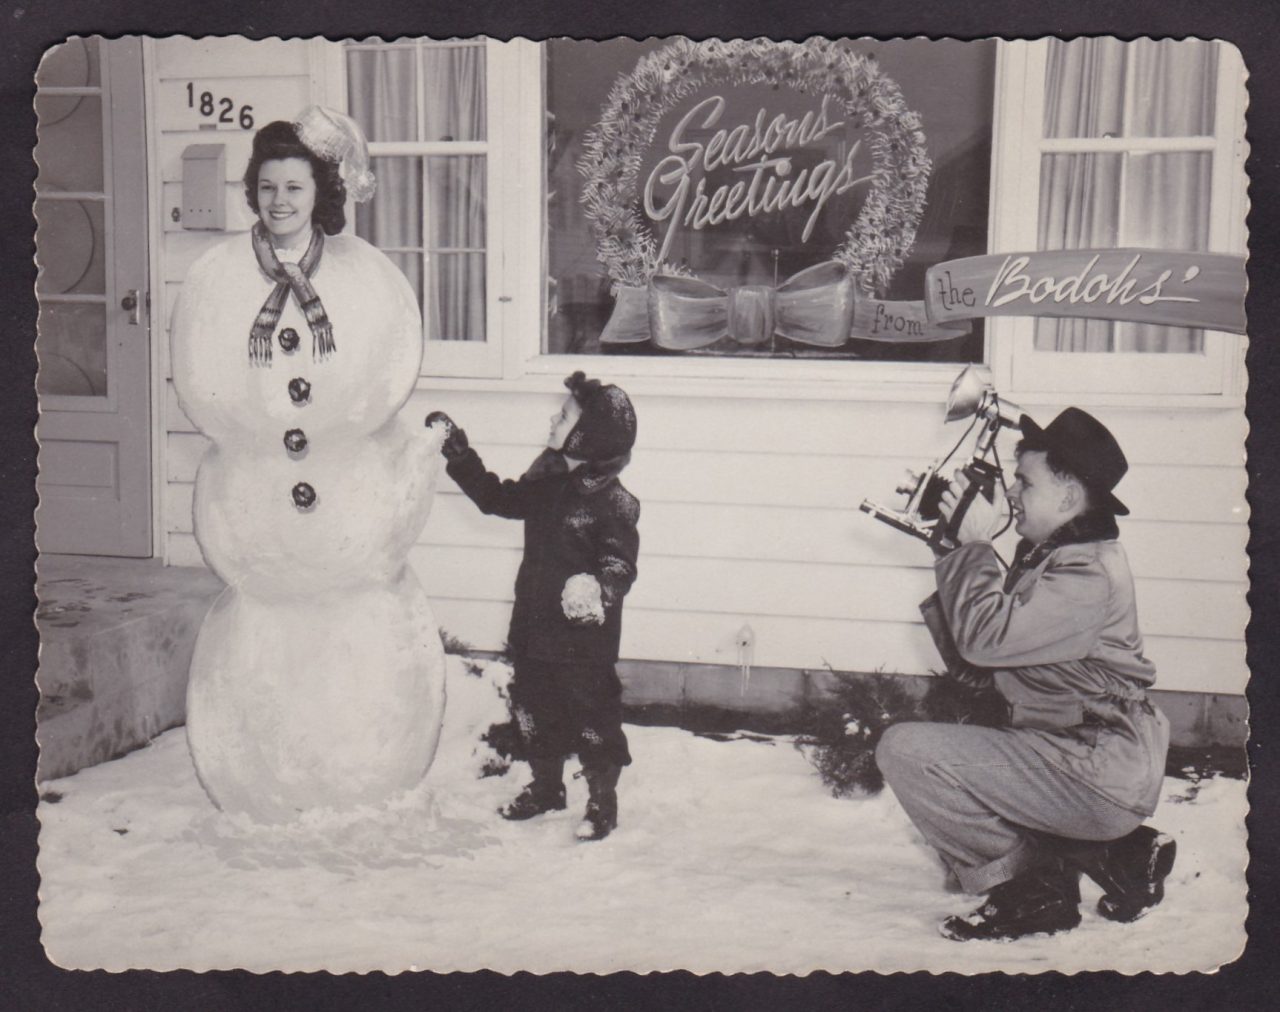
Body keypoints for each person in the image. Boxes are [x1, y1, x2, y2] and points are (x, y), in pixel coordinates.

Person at [875, 407, 1175, 941]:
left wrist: (972, 548)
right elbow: (978, 667)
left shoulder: (1086, 573)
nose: (1012, 493)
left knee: (906, 751)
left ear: (1067, 497)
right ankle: (1119, 854)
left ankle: (1032, 893)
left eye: (1024, 482)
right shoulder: (1055, 559)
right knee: (956, 766)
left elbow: (986, 639)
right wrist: (951, 548)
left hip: (1096, 770)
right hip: (1079, 759)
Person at [425, 372, 640, 841]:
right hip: (534, 628)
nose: (552, 417)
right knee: (534, 710)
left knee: (592, 719)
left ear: (589, 434)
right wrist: (460, 456)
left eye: (563, 415)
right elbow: (497, 499)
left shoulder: (614, 503)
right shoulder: (547, 483)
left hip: (583, 643)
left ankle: (603, 801)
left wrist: (596, 589)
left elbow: (620, 567)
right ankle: (547, 789)